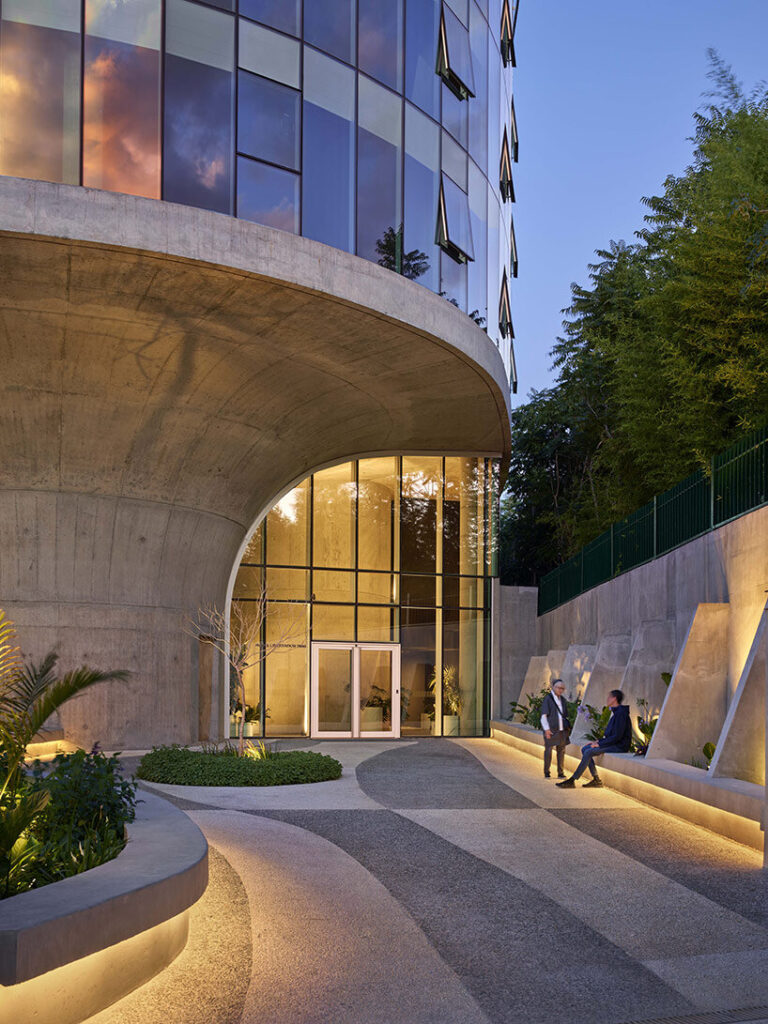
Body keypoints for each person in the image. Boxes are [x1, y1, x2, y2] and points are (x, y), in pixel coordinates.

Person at [556, 689, 632, 789]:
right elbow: (612, 735)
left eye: (609, 697)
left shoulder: (621, 714)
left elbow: (617, 736)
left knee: (588, 752)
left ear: (614, 699)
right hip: (614, 743)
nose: (607, 699)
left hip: (619, 746)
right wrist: (598, 741)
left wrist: (599, 744)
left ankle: (572, 780)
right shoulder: (617, 713)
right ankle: (596, 780)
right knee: (585, 749)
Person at [540, 679, 572, 779]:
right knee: (548, 751)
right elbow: (543, 716)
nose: (560, 690)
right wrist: (546, 730)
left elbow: (565, 715)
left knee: (561, 751)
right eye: (558, 687)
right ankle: (547, 771)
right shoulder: (548, 699)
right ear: (553, 687)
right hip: (551, 730)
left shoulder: (562, 699)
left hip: (562, 730)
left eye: (562, 688)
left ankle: (560, 772)